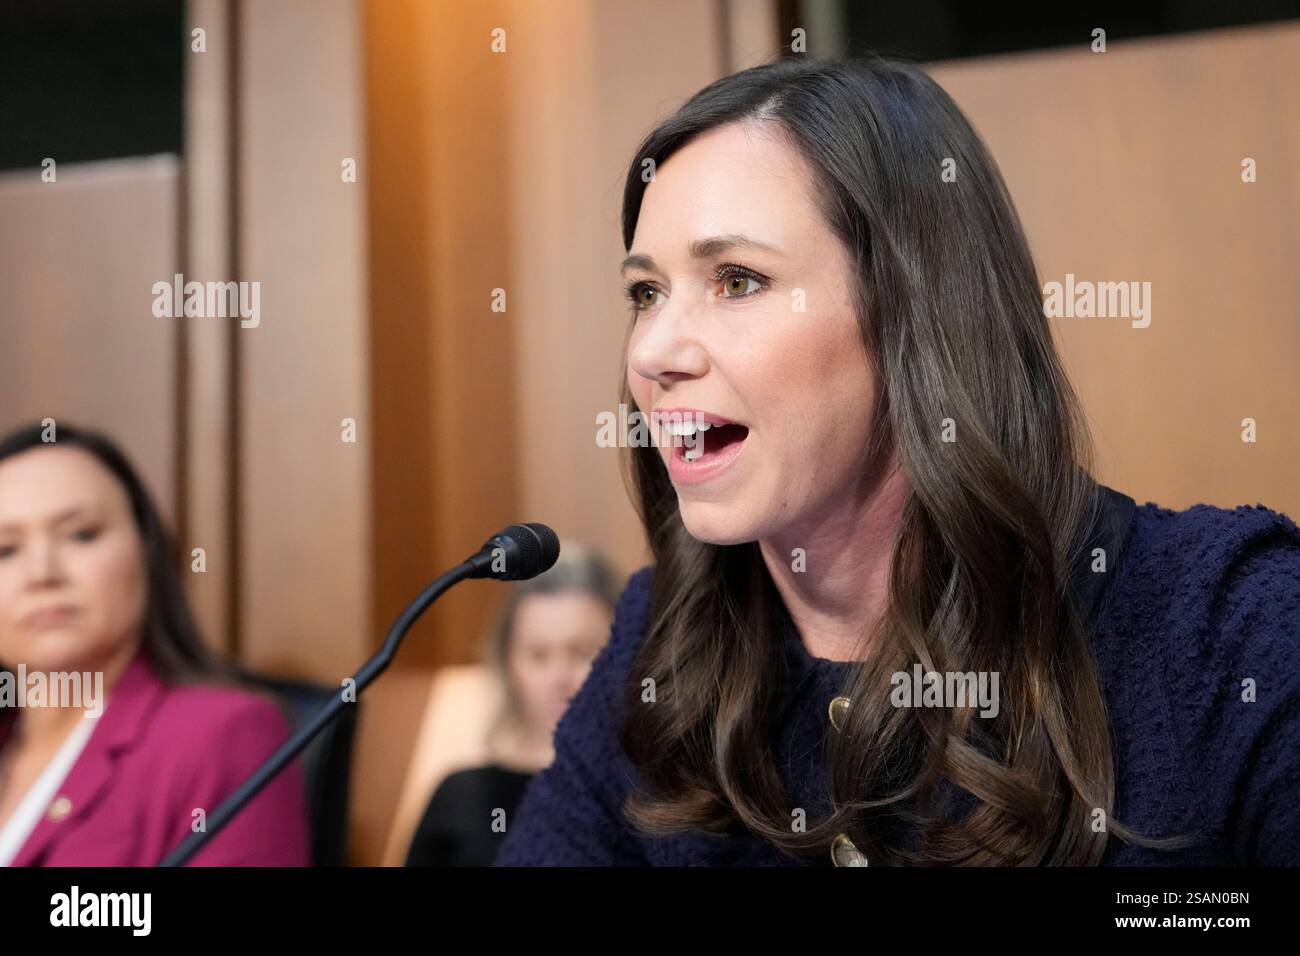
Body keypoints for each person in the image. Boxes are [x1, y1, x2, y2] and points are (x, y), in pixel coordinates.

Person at [494, 54, 1300, 866]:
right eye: (647, 293)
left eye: (737, 280)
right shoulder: (662, 640)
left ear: (917, 310)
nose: (655, 353)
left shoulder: (1234, 626)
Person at [0, 422, 311, 866]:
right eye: (5, 550)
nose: (42, 574)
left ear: (148, 553)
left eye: (81, 534)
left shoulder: (224, 733)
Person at [406, 546, 619, 866]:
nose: (559, 677)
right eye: (538, 655)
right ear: (508, 664)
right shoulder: (462, 796)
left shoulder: (666, 798)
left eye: (582, 652)